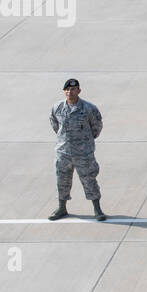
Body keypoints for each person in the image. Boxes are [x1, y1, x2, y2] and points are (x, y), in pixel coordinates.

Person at [48, 78, 105, 221]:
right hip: (63, 152)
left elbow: (96, 127)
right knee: (62, 180)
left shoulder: (89, 108)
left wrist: (85, 142)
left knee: (89, 180)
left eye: (73, 89)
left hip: (83, 153)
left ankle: (97, 209)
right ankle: (62, 208)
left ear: (79, 90)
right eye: (67, 90)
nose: (69, 92)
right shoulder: (57, 108)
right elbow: (55, 125)